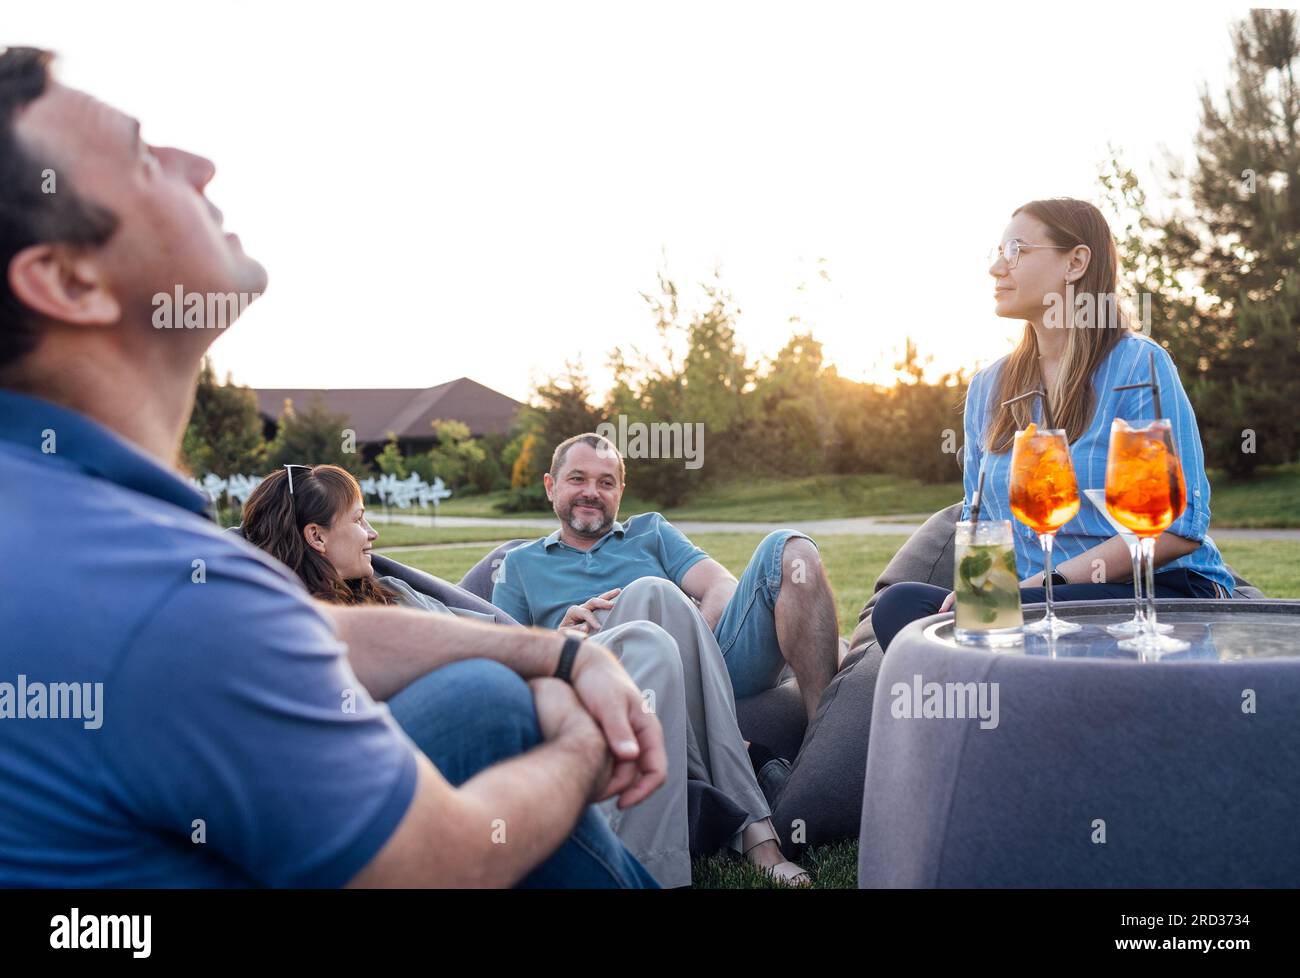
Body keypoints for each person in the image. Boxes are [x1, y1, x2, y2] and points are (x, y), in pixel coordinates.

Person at [0, 46, 663, 888]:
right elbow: (442, 862)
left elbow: (310, 628)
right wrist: (575, 742)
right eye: (141, 156)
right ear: (67, 280)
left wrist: (561, 658)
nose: (199, 164)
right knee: (494, 708)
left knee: (489, 688)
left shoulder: (55, 505)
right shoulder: (144, 587)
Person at [241, 463, 811, 886]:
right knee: (644, 643)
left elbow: (483, 626)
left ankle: (755, 831)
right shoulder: (314, 620)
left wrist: (561, 638)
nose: (373, 535)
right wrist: (554, 656)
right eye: (359, 521)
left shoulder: (389, 590)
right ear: (316, 536)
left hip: (528, 671)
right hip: (498, 704)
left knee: (656, 597)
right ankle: (653, 871)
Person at [871, 197, 1235, 652]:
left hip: (1153, 592)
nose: (997, 269)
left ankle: (1018, 678)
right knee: (902, 607)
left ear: (1076, 262)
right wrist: (984, 594)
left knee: (1044, 615)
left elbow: (1180, 526)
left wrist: (1048, 581)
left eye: (1017, 251)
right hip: (1035, 600)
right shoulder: (989, 386)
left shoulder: (1140, 366)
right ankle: (1008, 687)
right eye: (998, 253)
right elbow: (978, 518)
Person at [493, 433, 842, 721]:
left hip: (711, 668)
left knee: (793, 551)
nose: (592, 492)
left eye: (606, 482)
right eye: (577, 479)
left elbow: (720, 585)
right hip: (602, 675)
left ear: (620, 491)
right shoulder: (519, 565)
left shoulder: (651, 531)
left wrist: (690, 638)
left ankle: (823, 737)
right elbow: (504, 663)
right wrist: (557, 643)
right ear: (551, 486)